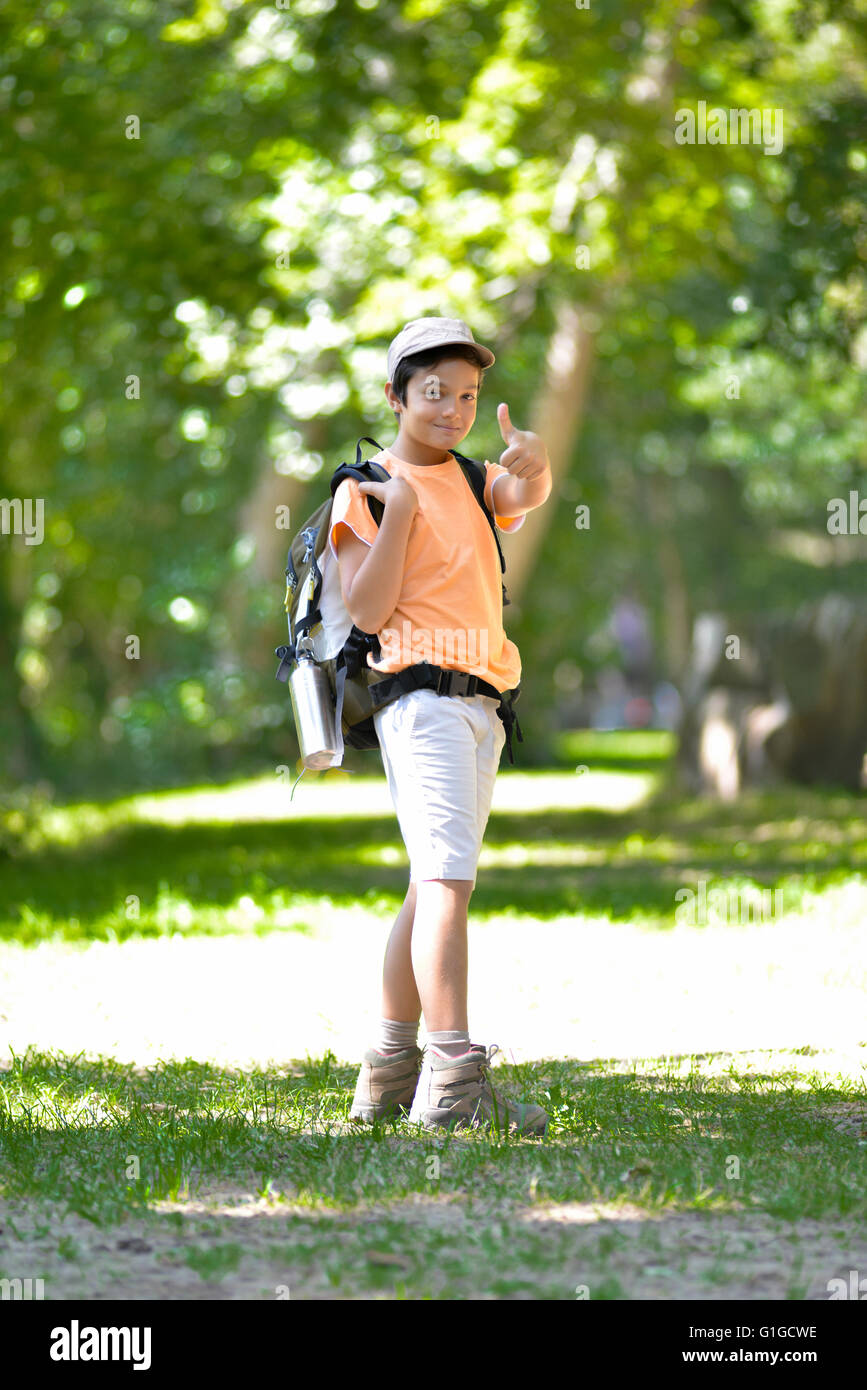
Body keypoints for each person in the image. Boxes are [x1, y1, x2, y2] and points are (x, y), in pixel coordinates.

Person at [331, 315, 553, 1135]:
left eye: (467, 396)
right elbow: (366, 607)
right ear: (394, 397)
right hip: (418, 704)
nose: (454, 411)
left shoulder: (469, 477)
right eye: (434, 394)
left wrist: (536, 466)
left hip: (480, 704)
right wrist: (396, 515)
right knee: (448, 885)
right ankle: (452, 1077)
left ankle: (388, 1072)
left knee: (429, 882)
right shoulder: (364, 489)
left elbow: (518, 496)